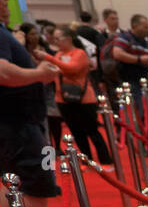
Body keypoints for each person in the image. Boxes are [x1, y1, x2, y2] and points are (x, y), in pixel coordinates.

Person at [0, 0, 77, 207]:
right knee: (37, 178)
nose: (7, 0)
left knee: (10, 182)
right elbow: (2, 71)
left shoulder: (5, 33)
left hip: (15, 123)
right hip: (20, 123)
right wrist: (38, 74)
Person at [39, 25, 112, 165]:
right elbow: (55, 70)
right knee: (77, 132)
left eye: (58, 38)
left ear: (68, 38)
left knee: (92, 130)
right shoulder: (59, 55)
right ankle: (87, 159)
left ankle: (105, 159)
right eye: (54, 39)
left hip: (84, 99)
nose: (56, 41)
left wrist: (48, 58)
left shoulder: (79, 53)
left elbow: (71, 68)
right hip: (63, 99)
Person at [108, 14, 148, 108]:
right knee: (140, 108)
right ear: (135, 26)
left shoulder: (145, 40)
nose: (147, 30)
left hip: (146, 79)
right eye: (145, 27)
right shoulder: (125, 37)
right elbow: (117, 53)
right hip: (132, 80)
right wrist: (139, 59)